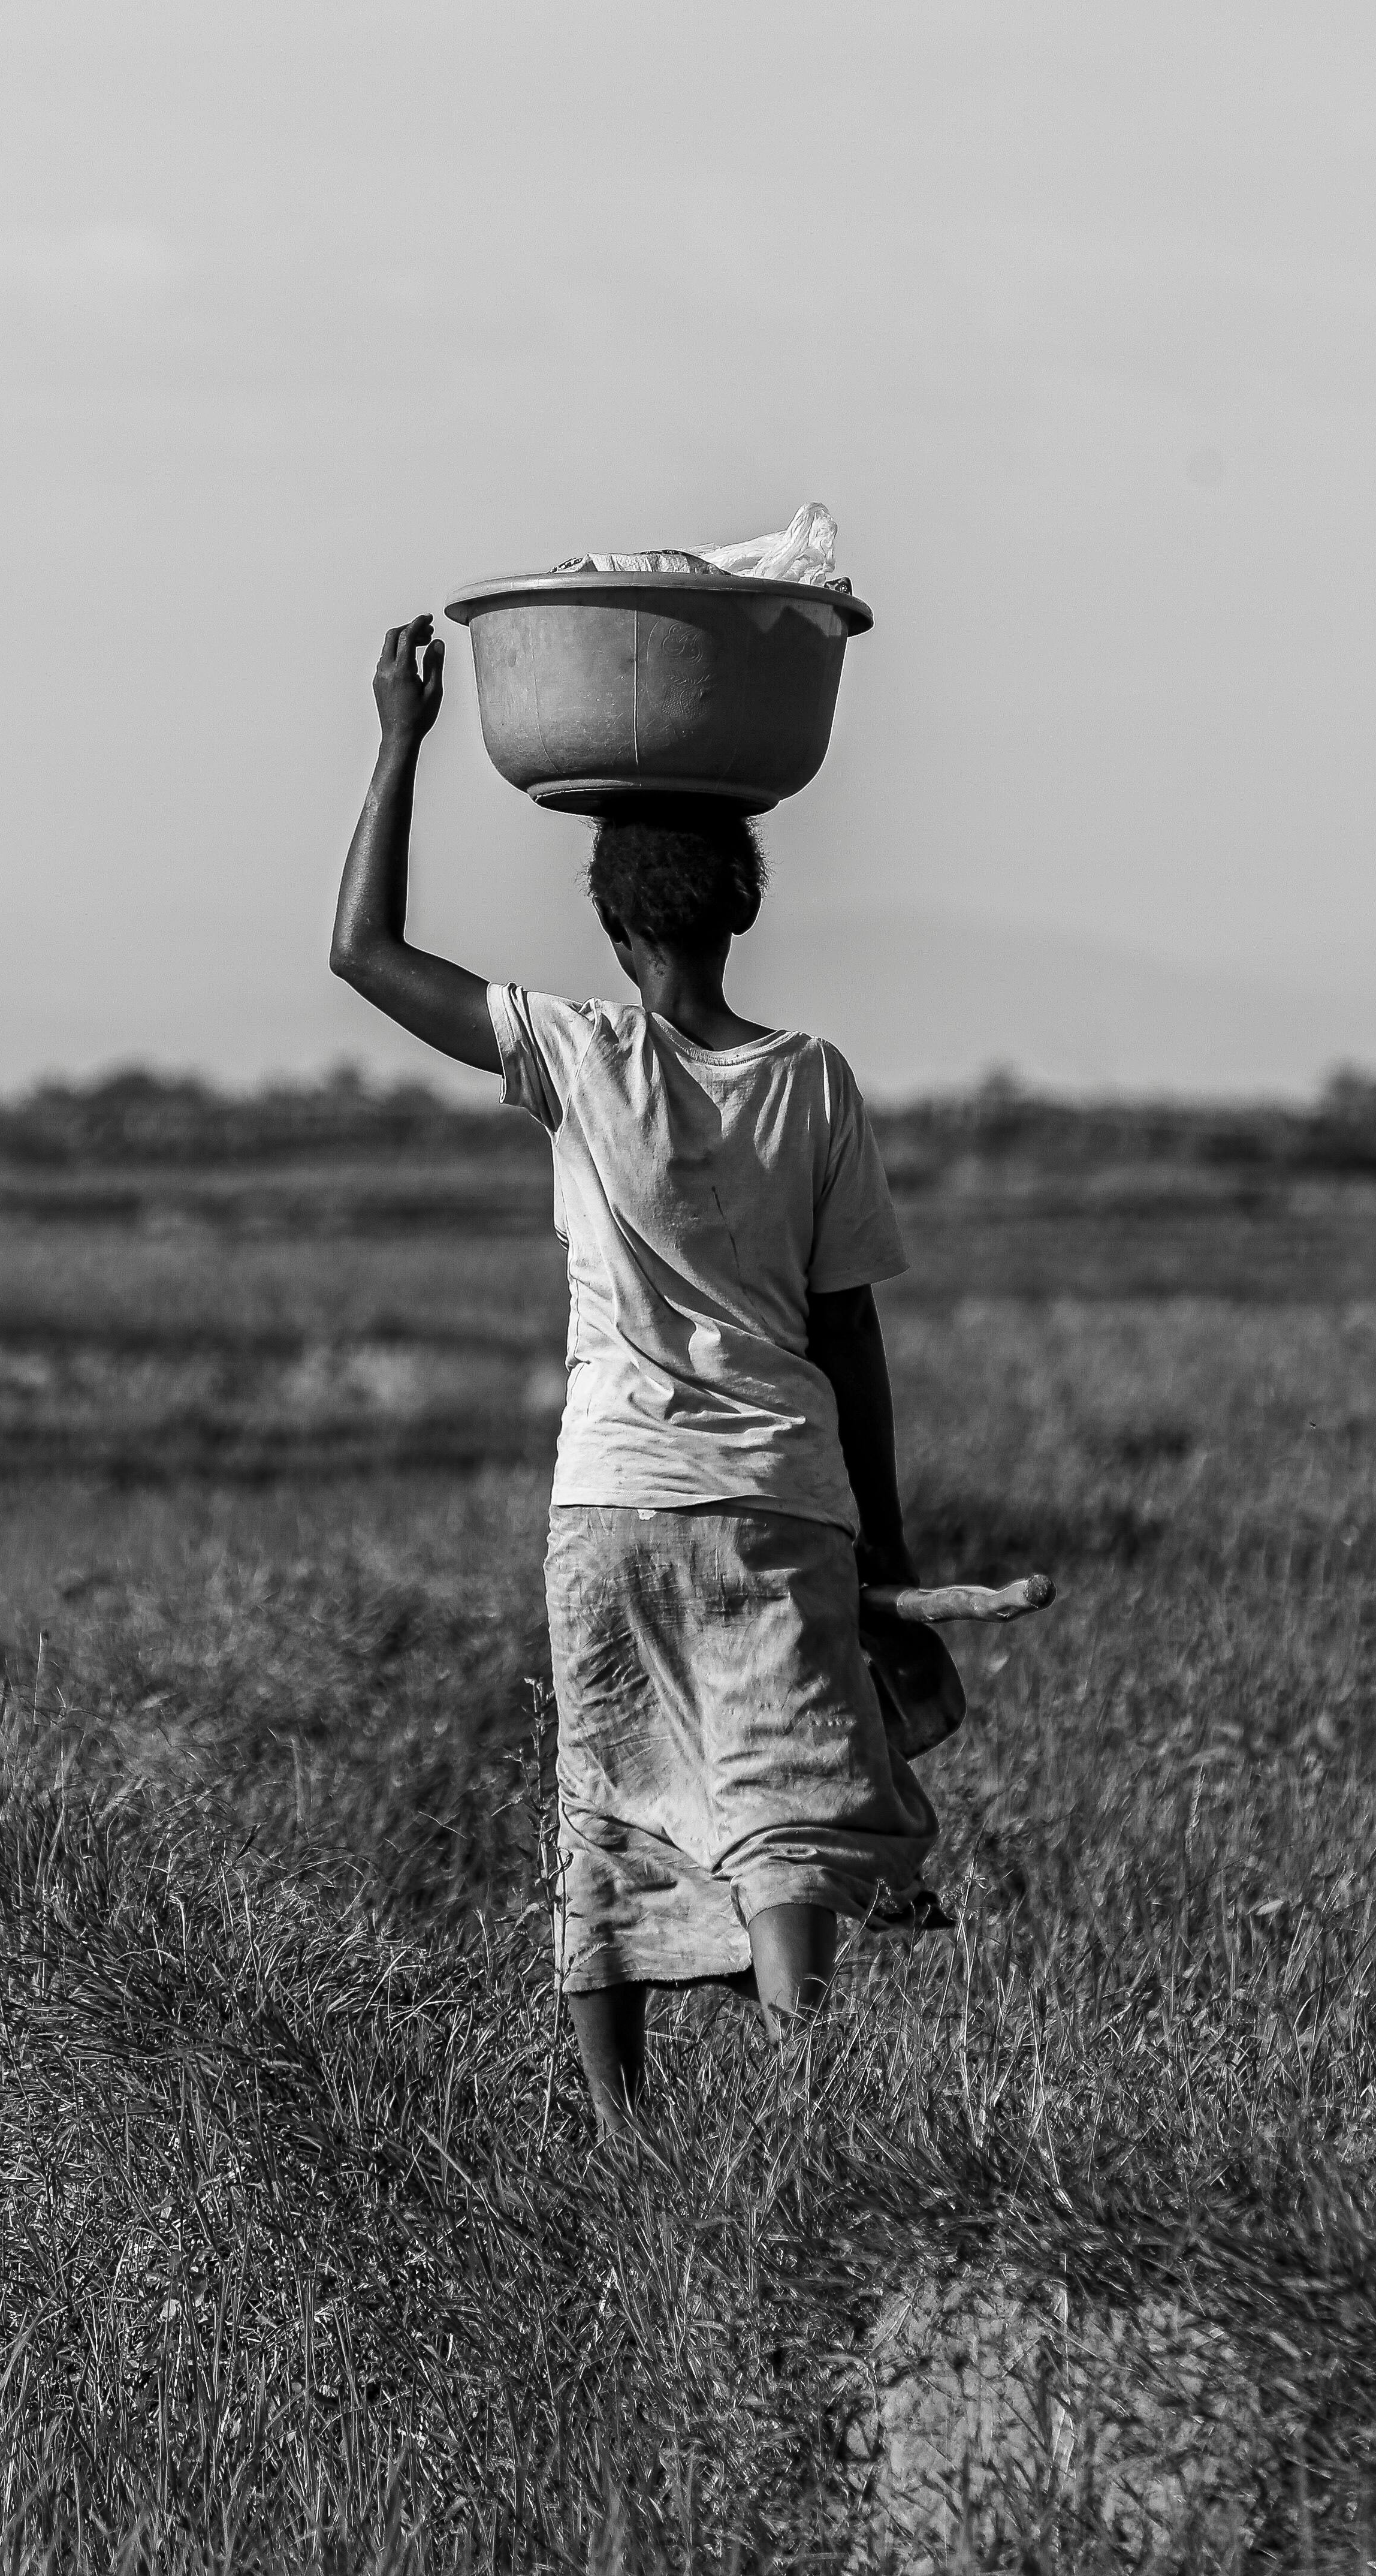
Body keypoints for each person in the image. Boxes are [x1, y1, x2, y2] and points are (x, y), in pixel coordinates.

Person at [330, 614, 942, 2132]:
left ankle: (622, 2142)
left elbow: (363, 952)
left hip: (611, 1506)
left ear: (614, 928)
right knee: (786, 1800)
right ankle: (809, 2102)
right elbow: (848, 1330)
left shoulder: (577, 1053)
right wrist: (891, 1544)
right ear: (743, 912)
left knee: (604, 1794)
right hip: (782, 1503)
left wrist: (401, 740)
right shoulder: (811, 1081)